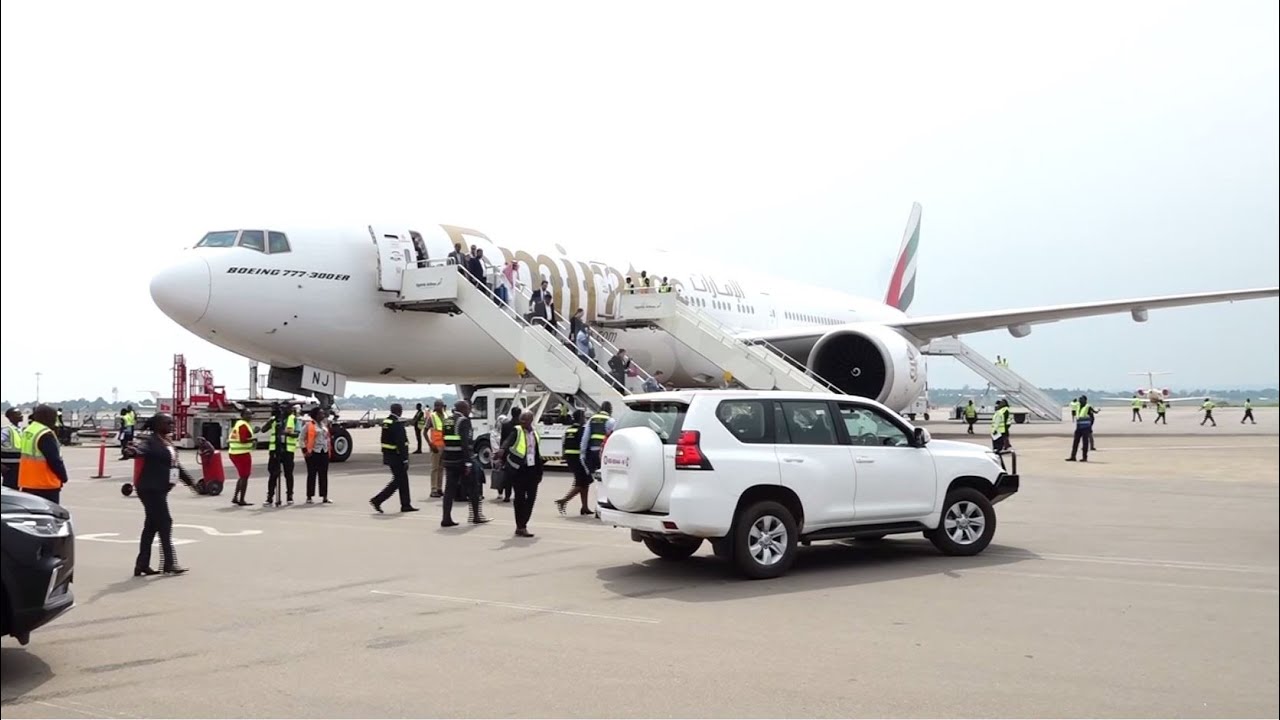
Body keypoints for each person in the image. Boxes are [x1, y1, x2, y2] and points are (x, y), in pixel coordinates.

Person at [123, 413, 192, 576]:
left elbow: (175, 466)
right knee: (165, 522)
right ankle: (169, 563)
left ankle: (142, 564)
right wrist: (131, 451)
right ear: (157, 425)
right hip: (150, 489)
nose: (171, 425)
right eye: (167, 423)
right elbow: (140, 450)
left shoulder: (166, 442)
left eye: (172, 423)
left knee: (151, 526)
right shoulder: (150, 442)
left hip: (160, 488)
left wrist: (192, 483)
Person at [440, 400, 488, 526]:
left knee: (449, 490)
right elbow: (465, 443)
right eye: (468, 408)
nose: (469, 411)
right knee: (473, 488)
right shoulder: (464, 421)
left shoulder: (447, 420)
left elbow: (444, 438)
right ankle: (476, 516)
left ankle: (446, 518)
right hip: (461, 459)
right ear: (463, 409)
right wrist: (468, 462)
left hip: (449, 459)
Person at [501, 410, 545, 537]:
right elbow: (508, 441)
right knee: (519, 498)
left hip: (532, 470)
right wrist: (502, 449)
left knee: (531, 498)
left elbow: (537, 452)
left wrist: (540, 472)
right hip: (519, 470)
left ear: (531, 420)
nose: (522, 422)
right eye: (521, 419)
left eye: (524, 420)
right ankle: (521, 526)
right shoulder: (517, 430)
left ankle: (522, 523)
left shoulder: (535, 433)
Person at [370, 404, 418, 514]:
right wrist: (405, 459)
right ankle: (378, 500)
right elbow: (401, 442)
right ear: (399, 411)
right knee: (398, 481)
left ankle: (405, 504)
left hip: (389, 455)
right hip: (397, 457)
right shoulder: (396, 423)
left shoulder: (386, 422)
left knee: (401, 480)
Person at [18, 405, 69, 504]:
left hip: (28, 482)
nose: (55, 420)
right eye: (54, 417)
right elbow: (54, 460)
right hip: (45, 483)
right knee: (49, 511)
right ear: (46, 417)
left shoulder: (28, 430)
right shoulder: (45, 434)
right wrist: (63, 477)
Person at [555, 410, 593, 516]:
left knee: (584, 482)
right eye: (584, 417)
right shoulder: (582, 430)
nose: (585, 419)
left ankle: (584, 507)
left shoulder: (569, 430)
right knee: (582, 483)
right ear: (580, 418)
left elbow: (564, 444)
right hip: (579, 460)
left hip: (570, 460)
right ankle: (563, 500)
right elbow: (584, 444)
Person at [263, 404, 299, 506]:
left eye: (291, 408)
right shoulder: (275, 419)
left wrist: (287, 433)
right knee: (273, 474)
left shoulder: (293, 419)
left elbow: (297, 433)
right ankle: (270, 497)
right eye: (288, 408)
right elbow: (263, 429)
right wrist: (271, 421)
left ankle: (289, 496)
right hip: (275, 450)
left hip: (288, 450)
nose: (290, 410)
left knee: (288, 474)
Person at [303, 408, 333, 504]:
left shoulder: (324, 425)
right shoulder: (309, 425)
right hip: (313, 452)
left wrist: (329, 450)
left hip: (324, 451)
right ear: (316, 415)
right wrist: (305, 451)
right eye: (321, 414)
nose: (323, 415)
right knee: (312, 474)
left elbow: (327, 438)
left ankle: (324, 496)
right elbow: (301, 438)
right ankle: (309, 496)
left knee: (323, 475)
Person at [227, 409, 255, 506]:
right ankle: (241, 499)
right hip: (241, 453)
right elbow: (243, 440)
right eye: (247, 414)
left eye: (250, 414)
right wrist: (254, 439)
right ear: (242, 415)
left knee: (242, 476)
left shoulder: (239, 424)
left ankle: (236, 497)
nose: (250, 416)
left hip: (234, 452)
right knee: (245, 476)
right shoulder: (243, 425)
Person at [580, 402, 614, 478]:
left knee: (594, 475)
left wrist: (582, 453)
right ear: (610, 410)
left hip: (592, 452)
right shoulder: (611, 421)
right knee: (604, 476)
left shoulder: (591, 419)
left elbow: (585, 438)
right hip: (603, 452)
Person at [495, 406, 521, 502]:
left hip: (507, 453)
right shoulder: (521, 426)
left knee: (508, 476)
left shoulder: (506, 425)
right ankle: (518, 495)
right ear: (519, 414)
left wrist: (501, 453)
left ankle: (507, 496)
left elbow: (503, 440)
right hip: (519, 454)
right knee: (519, 476)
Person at [1066, 395, 1096, 462]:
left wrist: (1089, 427)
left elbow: (1092, 418)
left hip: (1086, 428)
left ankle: (1084, 457)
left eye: (1081, 399)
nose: (1080, 401)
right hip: (1079, 427)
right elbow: (1074, 409)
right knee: (1075, 442)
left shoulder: (1088, 407)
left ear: (1085, 400)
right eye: (1079, 399)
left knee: (1085, 443)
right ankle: (1073, 456)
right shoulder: (1078, 406)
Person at [428, 399, 447, 498]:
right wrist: (430, 444)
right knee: (434, 468)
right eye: (438, 406)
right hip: (435, 446)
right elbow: (424, 432)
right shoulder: (432, 417)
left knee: (441, 468)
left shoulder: (446, 416)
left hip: (444, 445)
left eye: (441, 406)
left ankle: (439, 488)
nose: (440, 407)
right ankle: (433, 489)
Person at [2, 408, 25, 489]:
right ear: (11, 417)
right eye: (18, 414)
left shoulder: (20, 430)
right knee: (10, 490)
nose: (21, 415)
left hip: (19, 465)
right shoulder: (7, 430)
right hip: (9, 467)